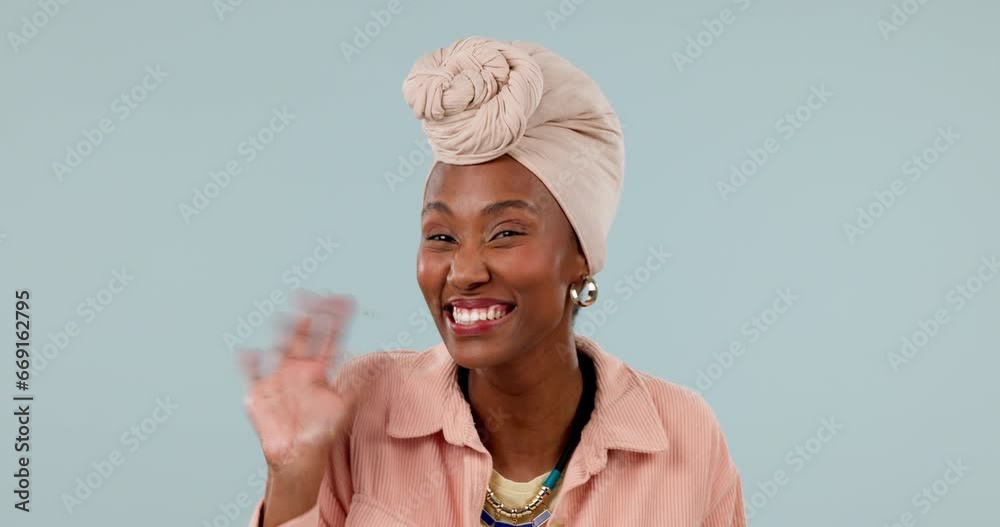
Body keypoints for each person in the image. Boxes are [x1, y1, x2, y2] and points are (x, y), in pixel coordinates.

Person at [240, 36, 747, 526]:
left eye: (505, 233)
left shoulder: (681, 433)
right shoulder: (366, 405)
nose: (464, 272)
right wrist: (293, 473)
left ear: (580, 257)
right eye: (440, 237)